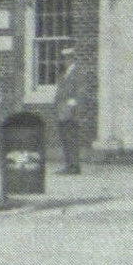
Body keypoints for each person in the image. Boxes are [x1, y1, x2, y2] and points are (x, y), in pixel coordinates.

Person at [54, 47, 82, 175]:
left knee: (71, 139)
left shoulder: (77, 73)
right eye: (63, 59)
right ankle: (68, 164)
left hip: (71, 111)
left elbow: (79, 93)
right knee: (65, 138)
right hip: (62, 110)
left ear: (71, 58)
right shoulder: (64, 73)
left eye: (66, 58)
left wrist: (71, 108)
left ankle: (74, 166)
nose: (64, 61)